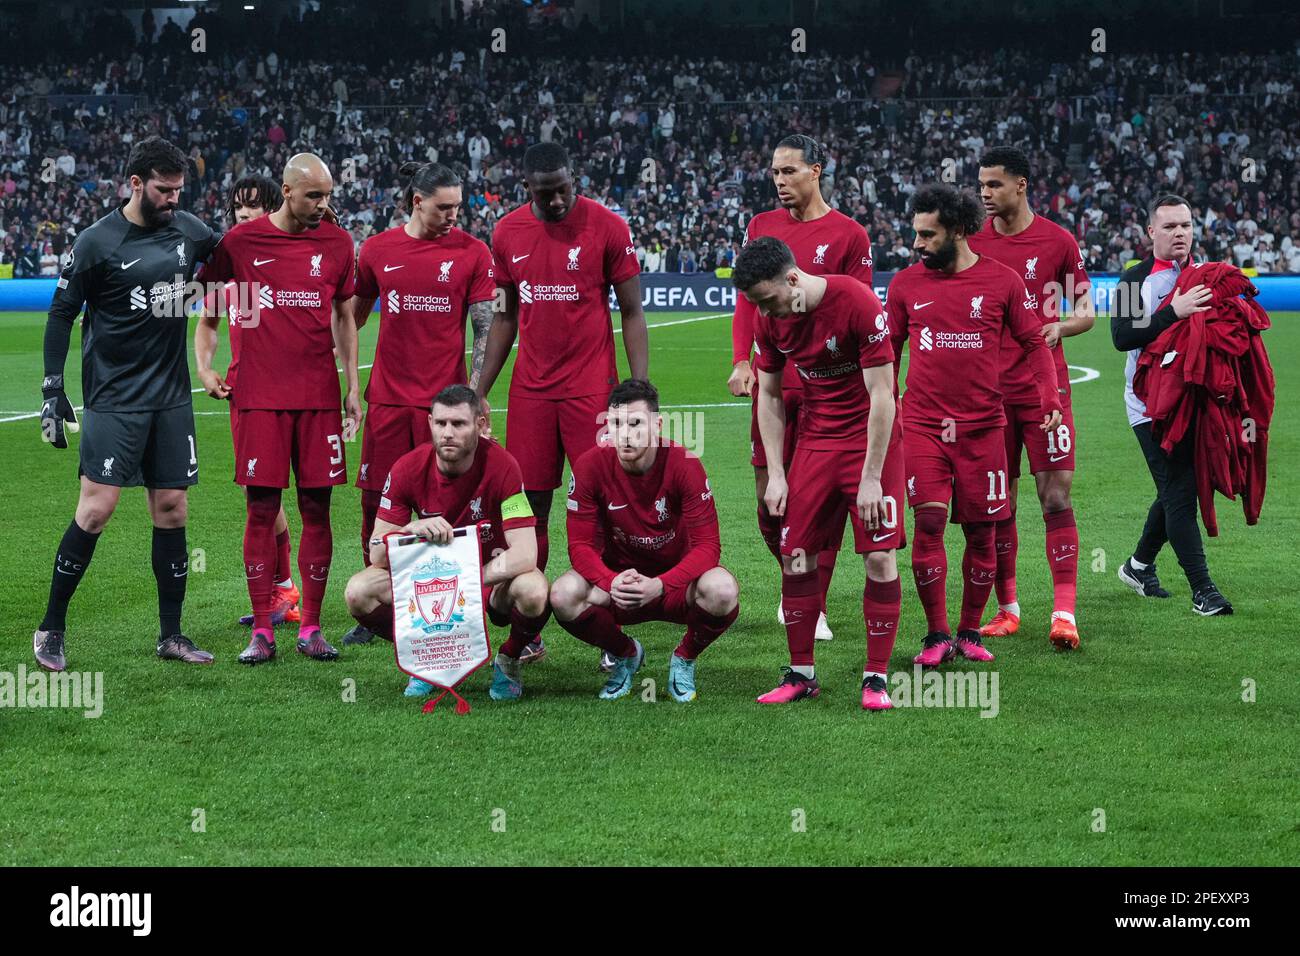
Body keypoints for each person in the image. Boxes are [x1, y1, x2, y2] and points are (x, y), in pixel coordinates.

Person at [34, 135, 220, 672]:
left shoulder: (188, 230)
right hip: (114, 398)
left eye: (179, 190)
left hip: (171, 398)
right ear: (135, 184)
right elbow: (60, 315)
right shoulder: (96, 243)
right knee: (96, 510)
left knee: (172, 508)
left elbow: (236, 251)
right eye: (164, 190)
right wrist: (52, 388)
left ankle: (171, 635)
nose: (173, 200)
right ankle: (51, 628)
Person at [474, 142, 647, 670]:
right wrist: (479, 388)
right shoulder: (506, 234)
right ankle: (529, 630)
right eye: (543, 194)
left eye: (562, 191)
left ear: (575, 180)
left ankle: (609, 623)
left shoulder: (608, 227)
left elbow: (634, 311)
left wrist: (638, 390)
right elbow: (504, 318)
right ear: (527, 189)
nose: (553, 203)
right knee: (529, 508)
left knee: (602, 505)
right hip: (531, 392)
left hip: (592, 389)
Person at [886, 184, 1061, 667]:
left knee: (983, 533)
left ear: (959, 230)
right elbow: (885, 355)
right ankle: (936, 634)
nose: (917, 244)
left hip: (984, 429)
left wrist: (1049, 396)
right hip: (922, 425)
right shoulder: (904, 285)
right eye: (915, 234)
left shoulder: (1002, 281)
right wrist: (877, 410)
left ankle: (968, 631)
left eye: (927, 234)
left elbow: (1033, 343)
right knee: (929, 521)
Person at [198, 153, 360, 664]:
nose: (323, 205)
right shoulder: (241, 244)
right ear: (287, 193)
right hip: (260, 398)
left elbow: (345, 316)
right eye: (314, 195)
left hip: (317, 399)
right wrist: (205, 367)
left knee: (317, 509)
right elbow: (204, 307)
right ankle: (263, 629)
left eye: (328, 195)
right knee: (261, 509)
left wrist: (352, 386)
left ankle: (311, 625)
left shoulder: (338, 242)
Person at [734, 238, 903, 709]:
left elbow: (883, 396)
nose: (767, 313)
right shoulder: (769, 317)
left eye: (769, 300)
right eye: (757, 305)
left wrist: (871, 477)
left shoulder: (858, 302)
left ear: (792, 279)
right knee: (797, 554)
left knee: (879, 558)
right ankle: (802, 673)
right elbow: (768, 396)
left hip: (873, 443)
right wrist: (776, 473)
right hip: (816, 442)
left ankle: (876, 678)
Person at [339, 162, 497, 647]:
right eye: (444, 206)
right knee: (376, 500)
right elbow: (354, 316)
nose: (454, 215)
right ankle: (380, 596)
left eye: (458, 205)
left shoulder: (473, 253)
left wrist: (474, 394)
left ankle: (462, 596)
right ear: (417, 202)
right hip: (387, 400)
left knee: (453, 503)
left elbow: (485, 329)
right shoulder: (379, 250)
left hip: (444, 406)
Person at [726, 134, 875, 643]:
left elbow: (856, 305)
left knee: (819, 504)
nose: (780, 181)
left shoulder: (850, 235)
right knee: (770, 502)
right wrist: (740, 360)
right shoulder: (761, 227)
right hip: (772, 385)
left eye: (789, 171)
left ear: (817, 170)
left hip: (826, 391)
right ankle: (798, 579)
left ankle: (816, 604)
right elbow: (749, 304)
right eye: (774, 173)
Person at [343, 385, 551, 699]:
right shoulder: (407, 468)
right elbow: (377, 554)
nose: (448, 433)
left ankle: (508, 658)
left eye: (459, 424)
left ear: (481, 425)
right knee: (358, 591)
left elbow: (525, 554)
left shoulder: (504, 465)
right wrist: (412, 528)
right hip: (432, 578)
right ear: (430, 424)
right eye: (440, 424)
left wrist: (469, 580)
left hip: (487, 576)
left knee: (534, 590)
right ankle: (428, 657)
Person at [969, 146, 1095, 650]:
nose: (984, 193)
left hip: (1045, 389)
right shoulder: (971, 243)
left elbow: (1085, 312)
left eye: (994, 184)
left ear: (1021, 185)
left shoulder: (1057, 241)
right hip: (989, 394)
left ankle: (1064, 612)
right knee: (998, 501)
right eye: (980, 185)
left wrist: (1055, 328)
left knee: (1055, 495)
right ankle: (1008, 609)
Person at [550, 379, 739, 702]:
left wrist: (661, 585)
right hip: (618, 586)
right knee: (563, 594)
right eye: (616, 423)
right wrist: (610, 582)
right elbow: (579, 546)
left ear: (657, 424)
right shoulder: (590, 465)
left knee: (722, 590)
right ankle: (625, 654)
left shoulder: (685, 464)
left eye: (635, 423)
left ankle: (684, 658)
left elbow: (709, 546)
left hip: (675, 585)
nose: (624, 433)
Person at [1111, 194, 1233, 616]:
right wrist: (1174, 312)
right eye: (1169, 227)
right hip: (1148, 406)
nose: (1179, 233)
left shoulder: (1205, 273)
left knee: (1177, 488)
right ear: (1151, 233)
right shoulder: (1133, 279)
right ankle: (1203, 590)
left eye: (1185, 225)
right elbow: (1122, 337)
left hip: (1193, 400)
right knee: (1181, 491)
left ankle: (1138, 566)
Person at [194, 173, 302, 630]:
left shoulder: (289, 256)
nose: (244, 211)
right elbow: (208, 323)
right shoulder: (231, 261)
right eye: (238, 205)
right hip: (247, 394)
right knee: (260, 498)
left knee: (294, 500)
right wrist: (204, 367)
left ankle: (289, 593)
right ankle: (283, 592)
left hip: (295, 394)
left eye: (254, 204)